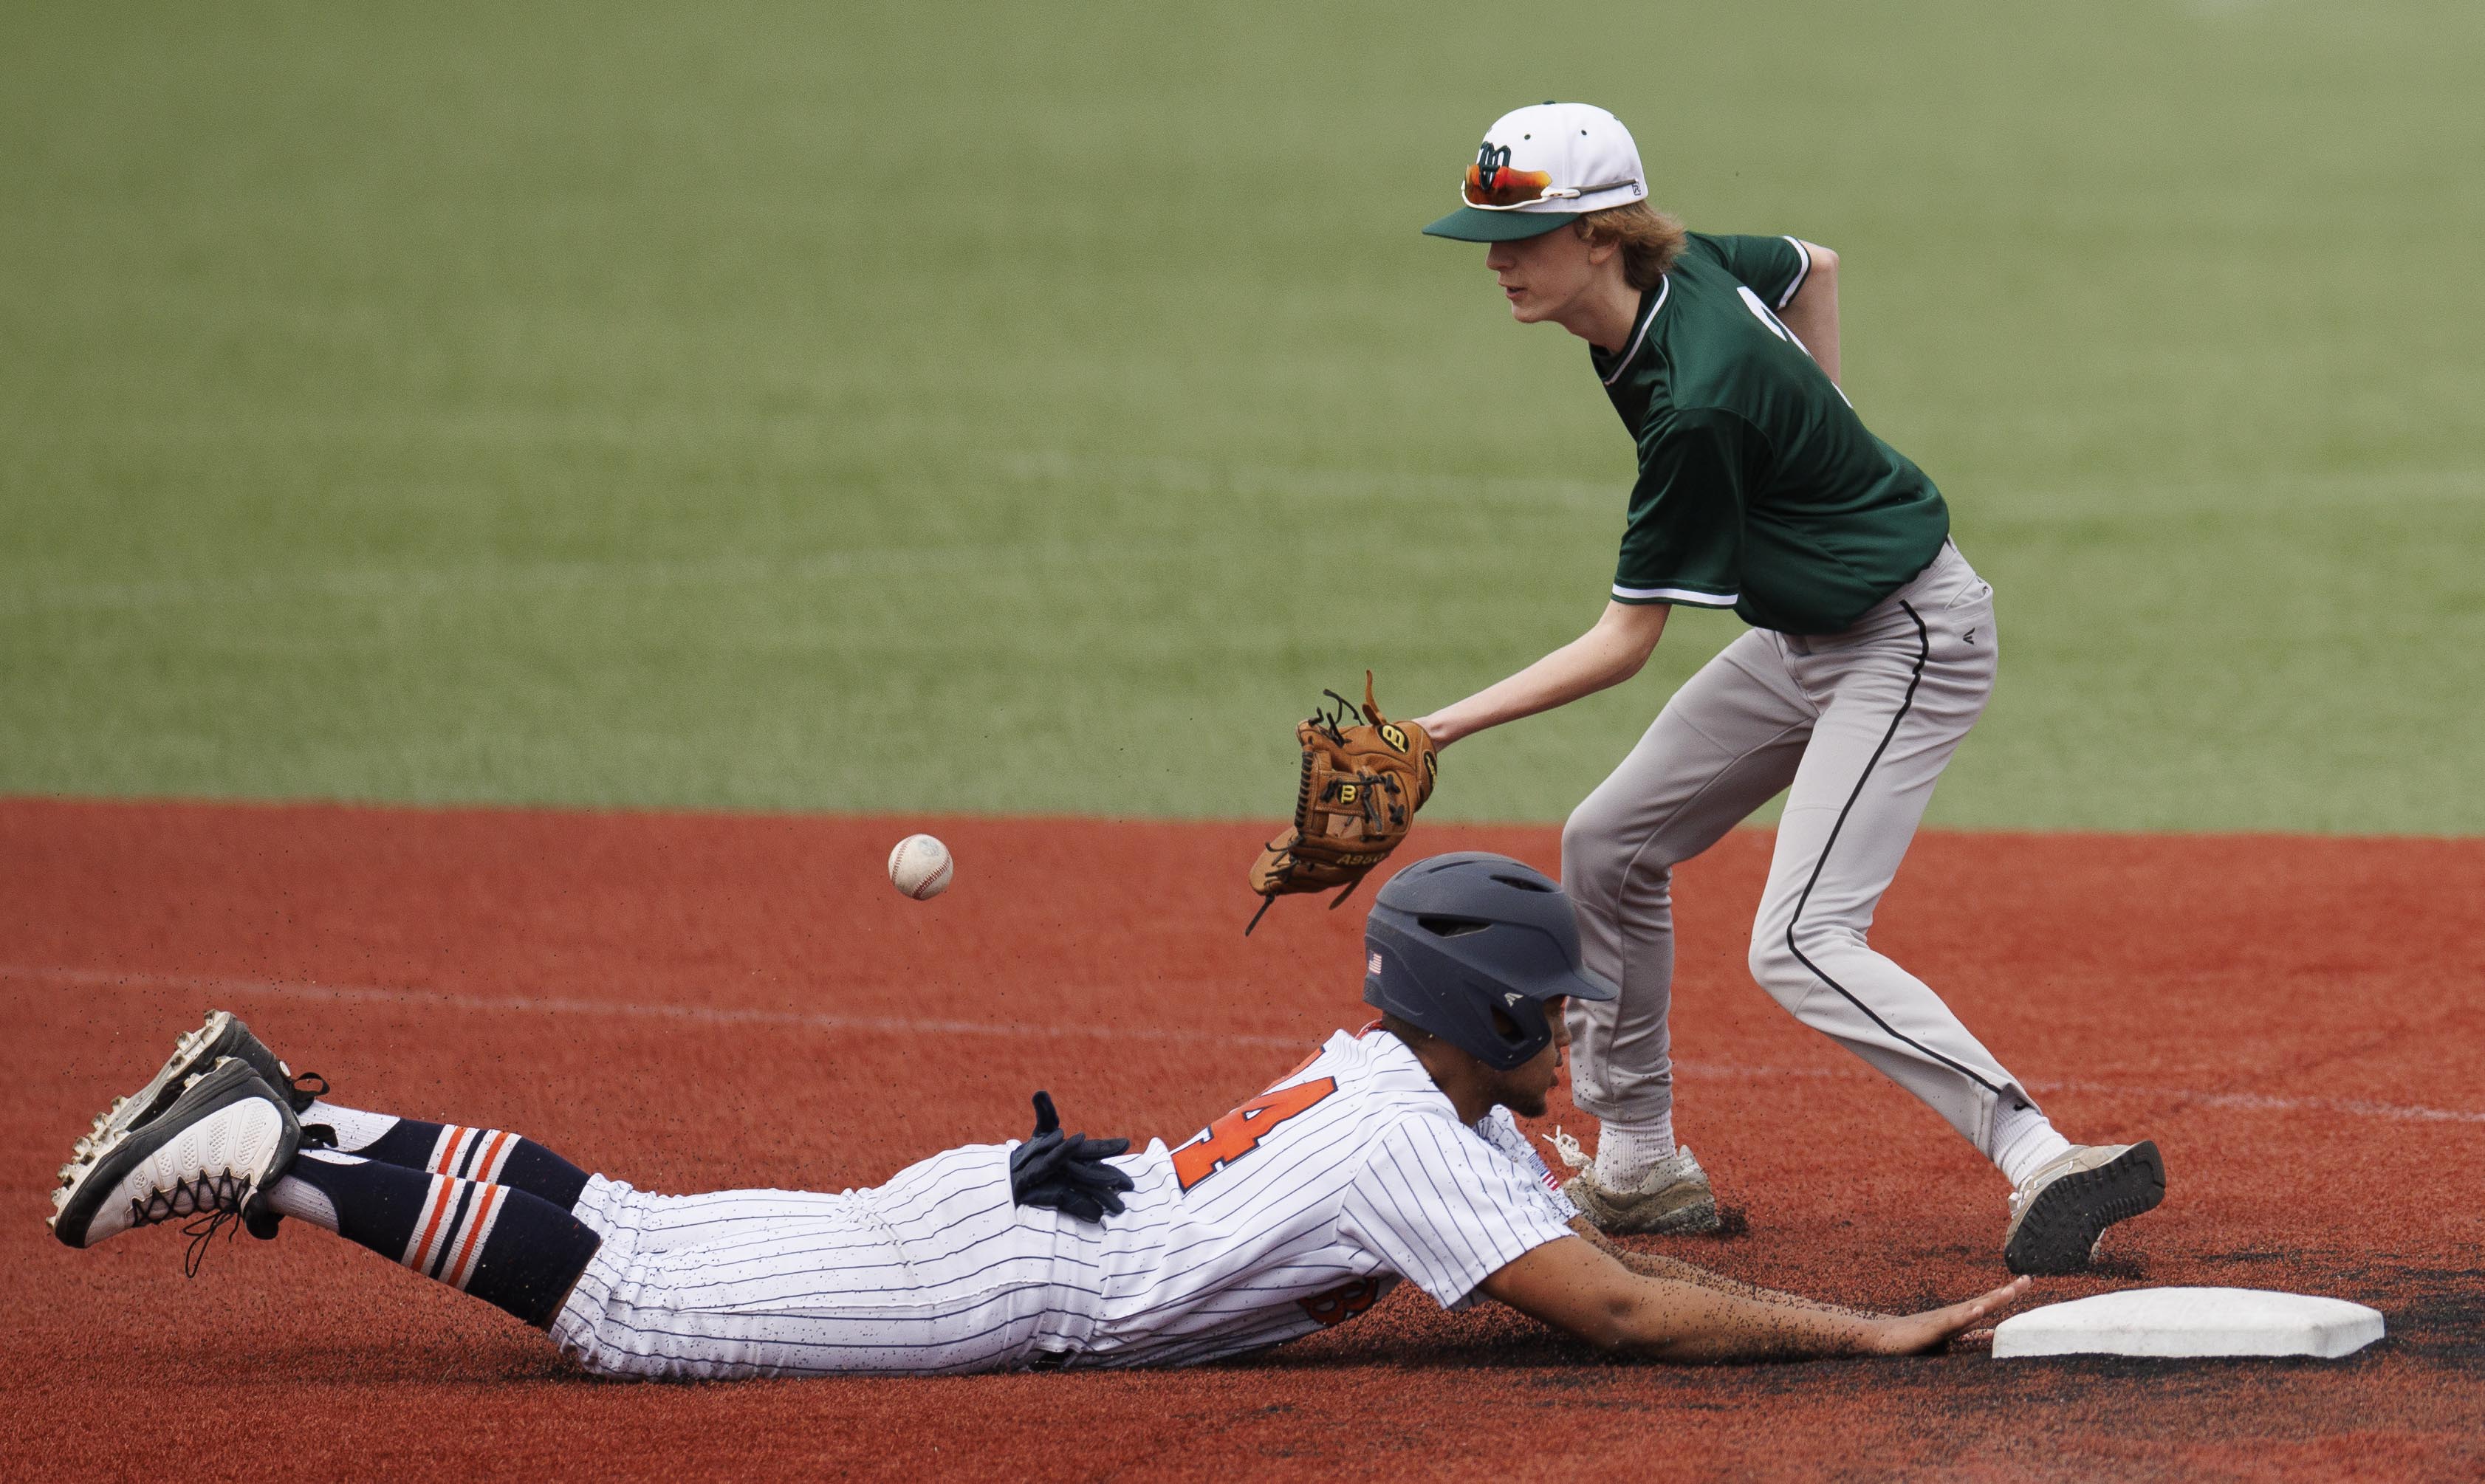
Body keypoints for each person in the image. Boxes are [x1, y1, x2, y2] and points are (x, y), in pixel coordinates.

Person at [50, 853, 2026, 1375]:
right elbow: (1614, 1311)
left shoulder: (1396, 1084)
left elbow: (1568, 1218)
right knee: (638, 1303)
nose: (1573, 1035)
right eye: (1552, 1015)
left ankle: (303, 1128)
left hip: (1026, 1207)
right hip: (1013, 1270)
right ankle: (279, 1159)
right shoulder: (1421, 1143)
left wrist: (1599, 1180)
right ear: (1488, 1023)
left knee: (652, 1224)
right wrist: (1866, 1329)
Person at [1410, 103, 2163, 1274]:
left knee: (1800, 937)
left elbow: (1623, 641)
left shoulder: (1693, 400)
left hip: (1906, 636)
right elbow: (1814, 263)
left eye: (1527, 235)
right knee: (1607, 842)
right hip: (1810, 632)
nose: (1498, 260)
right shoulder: (1684, 264)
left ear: (1604, 234)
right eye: (1490, 236)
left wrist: (1437, 726)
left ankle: (2040, 1151)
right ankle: (1639, 1164)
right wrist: (1826, 427)